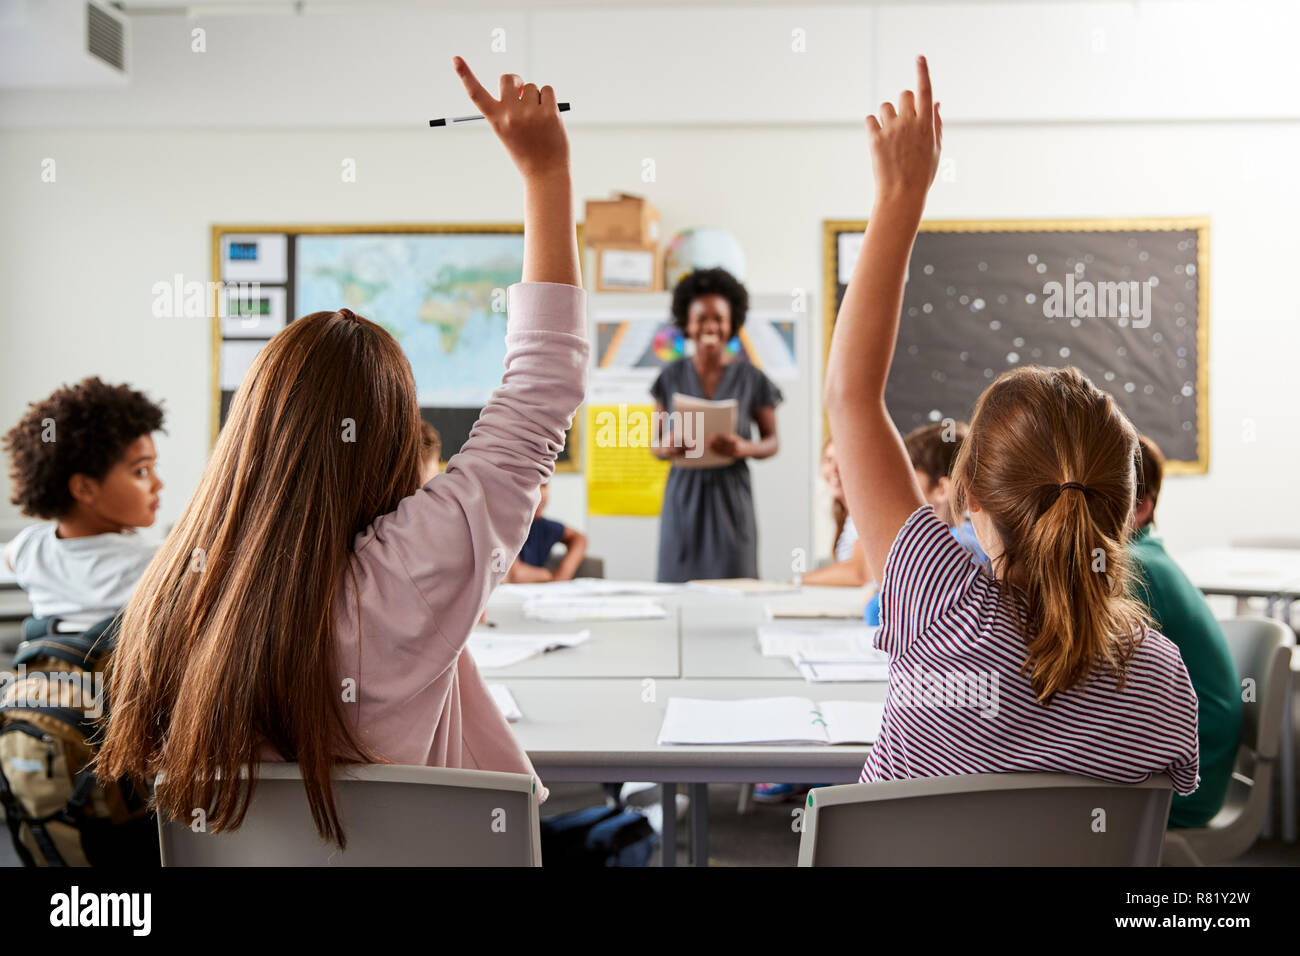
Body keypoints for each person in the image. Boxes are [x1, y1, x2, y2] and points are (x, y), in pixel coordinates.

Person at [97, 57, 587, 848]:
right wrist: (548, 172)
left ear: (248, 435)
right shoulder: (404, 579)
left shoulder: (172, 597)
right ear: (394, 438)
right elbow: (539, 393)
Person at [825, 57, 1199, 793]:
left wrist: (902, 193)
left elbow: (849, 396)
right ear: (1124, 512)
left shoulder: (941, 605)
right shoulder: (1161, 679)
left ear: (969, 501)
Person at [1129, 434, 1242, 828]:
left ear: (1140, 508)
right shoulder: (1145, 557)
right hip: (1193, 769)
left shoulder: (1131, 568)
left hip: (1186, 787)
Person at [649, 268, 783, 582]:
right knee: (676, 585)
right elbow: (654, 445)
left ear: (732, 323)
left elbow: (772, 441)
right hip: (683, 496)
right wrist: (668, 446)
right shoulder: (669, 377)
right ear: (688, 324)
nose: (710, 326)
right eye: (701, 319)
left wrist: (743, 447)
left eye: (718, 318)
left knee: (735, 583)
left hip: (730, 498)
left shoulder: (752, 378)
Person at [3, 377, 164, 621]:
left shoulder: (28, 548)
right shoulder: (157, 565)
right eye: (141, 471)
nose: (157, 483)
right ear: (84, 488)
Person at [799, 439, 870, 586]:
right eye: (828, 460)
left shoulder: (868, 513)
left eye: (843, 460)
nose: (834, 469)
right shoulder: (848, 516)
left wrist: (797, 581)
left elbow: (858, 574)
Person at [507, 482, 588, 582]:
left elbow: (580, 538)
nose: (540, 494)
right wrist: (550, 576)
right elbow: (514, 575)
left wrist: (563, 573)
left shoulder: (543, 526)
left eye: (544, 486)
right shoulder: (501, 525)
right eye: (532, 486)